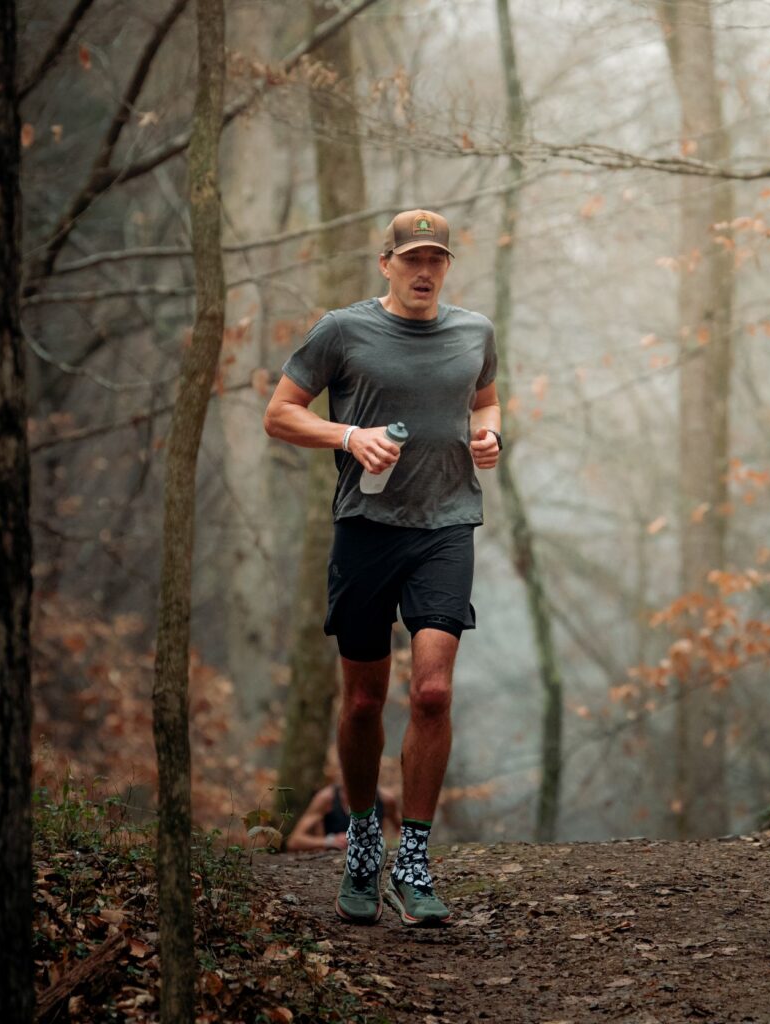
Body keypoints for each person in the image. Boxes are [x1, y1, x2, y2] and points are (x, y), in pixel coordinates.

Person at [263, 209, 501, 926]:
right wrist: (349, 434)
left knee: (431, 693)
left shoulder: (474, 332)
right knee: (364, 701)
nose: (425, 271)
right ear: (386, 263)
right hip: (366, 530)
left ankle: (416, 859)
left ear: (447, 266)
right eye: (412, 259)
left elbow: (485, 399)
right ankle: (364, 839)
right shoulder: (342, 330)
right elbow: (279, 413)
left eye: (437, 259)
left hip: (446, 527)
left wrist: (488, 435)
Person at [284, 782, 403, 853]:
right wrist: (330, 841)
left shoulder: (385, 799)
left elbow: (403, 831)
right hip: (331, 862)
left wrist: (388, 845)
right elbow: (294, 840)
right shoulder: (327, 797)